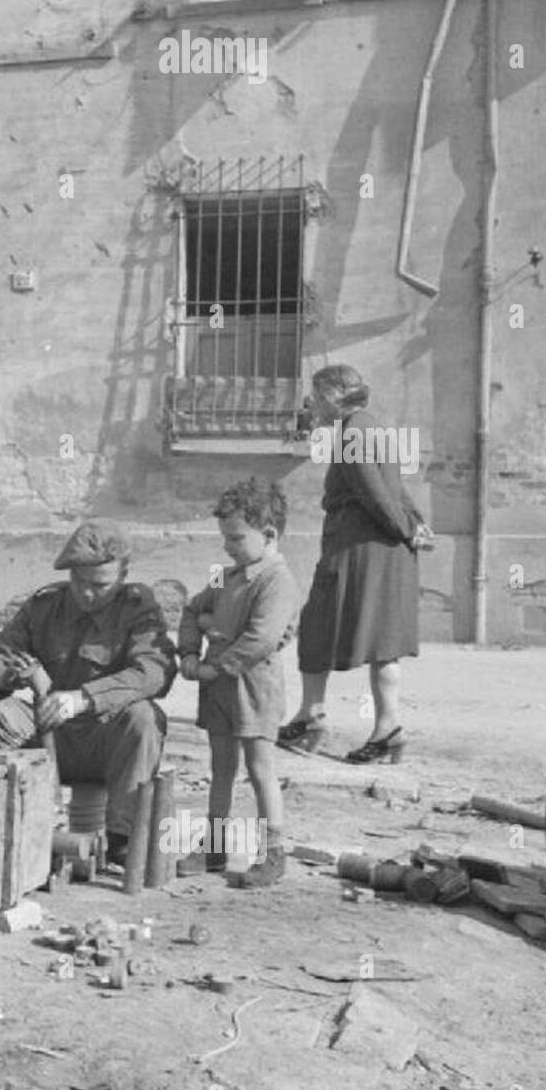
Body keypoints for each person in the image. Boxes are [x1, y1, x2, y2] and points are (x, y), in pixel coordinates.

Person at [0, 522, 175, 862]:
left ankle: (122, 837)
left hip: (105, 745)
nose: (87, 593)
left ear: (123, 576)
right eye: (79, 581)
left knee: (145, 717)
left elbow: (155, 673)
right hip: (47, 740)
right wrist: (9, 677)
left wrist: (83, 698)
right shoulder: (45, 605)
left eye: (100, 585)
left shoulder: (138, 608)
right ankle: (11, 815)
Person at [279, 365, 431, 763]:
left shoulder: (351, 431)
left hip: (359, 546)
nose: (313, 405)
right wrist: (415, 527)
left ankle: (312, 716)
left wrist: (404, 527)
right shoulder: (375, 426)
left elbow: (373, 492)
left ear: (333, 396)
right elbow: (396, 489)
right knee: (385, 641)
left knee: (315, 626)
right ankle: (388, 728)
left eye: (316, 395)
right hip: (387, 546)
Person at [176, 479, 301, 889]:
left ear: (269, 535)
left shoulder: (276, 581)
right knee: (221, 768)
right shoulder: (226, 577)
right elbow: (193, 610)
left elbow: (262, 638)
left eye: (235, 538)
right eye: (224, 538)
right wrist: (191, 653)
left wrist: (219, 660)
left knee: (261, 769)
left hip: (255, 689)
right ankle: (215, 847)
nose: (227, 546)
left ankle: (273, 851)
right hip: (219, 690)